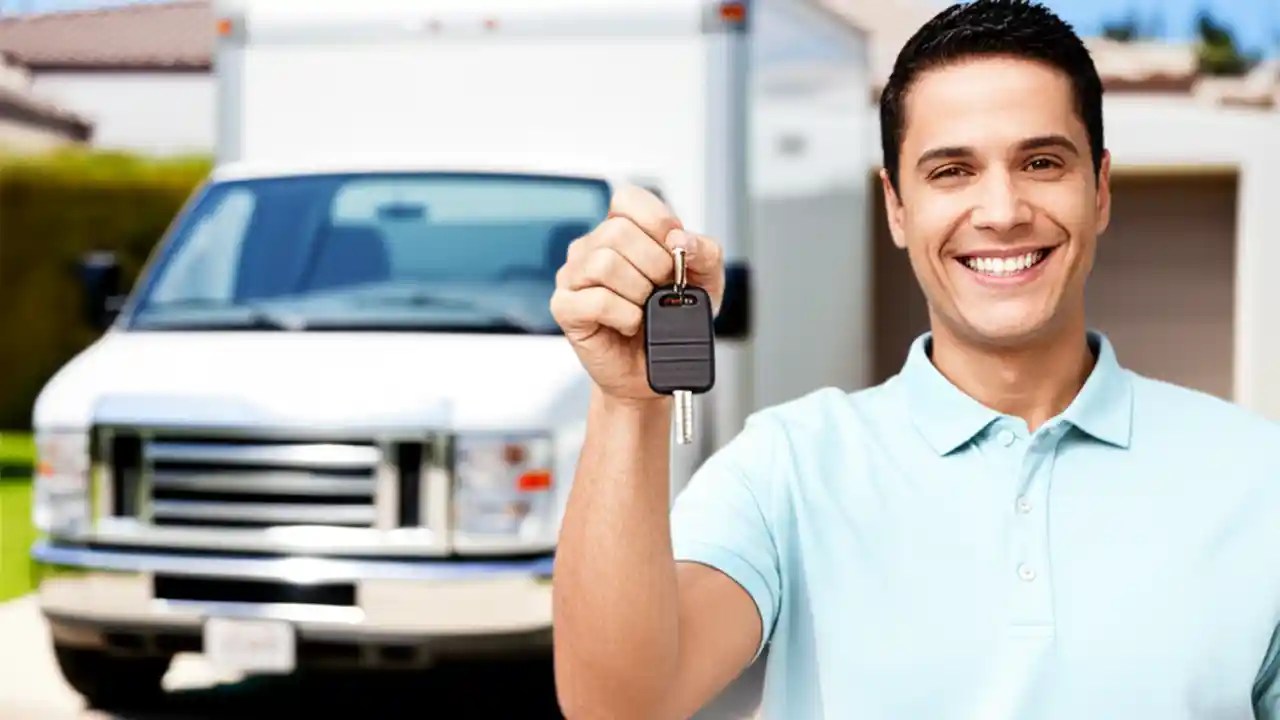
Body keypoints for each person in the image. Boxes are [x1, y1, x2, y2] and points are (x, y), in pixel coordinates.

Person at [547, 0, 1280, 717]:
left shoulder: (1258, 475)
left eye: (1041, 162)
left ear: (1101, 190)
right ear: (897, 207)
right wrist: (627, 403)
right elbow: (618, 707)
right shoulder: (788, 467)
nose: (1002, 212)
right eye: (953, 171)